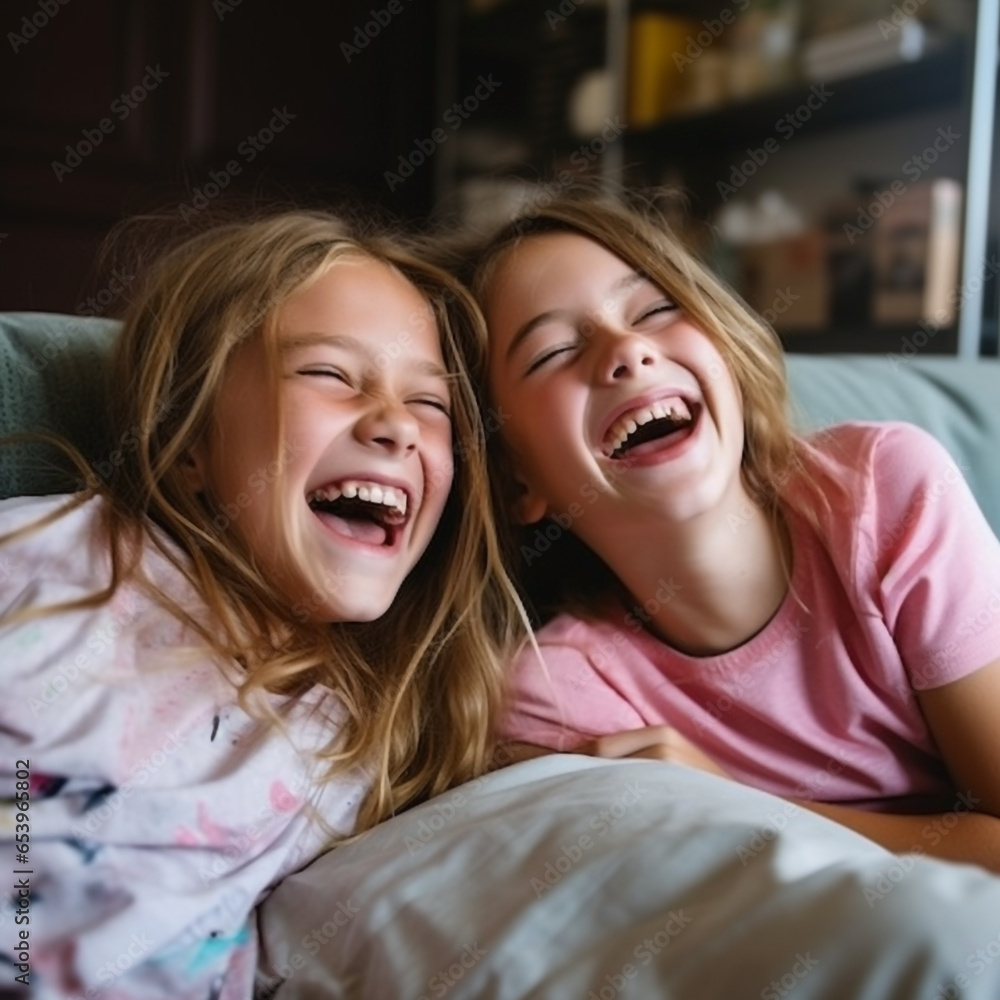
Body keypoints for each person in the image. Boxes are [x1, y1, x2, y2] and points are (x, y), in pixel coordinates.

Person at [0, 210, 524, 999]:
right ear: (189, 444)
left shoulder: (378, 731)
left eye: (431, 404)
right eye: (331, 375)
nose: (393, 425)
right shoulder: (62, 556)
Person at [448, 191, 1000, 874]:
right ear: (515, 481)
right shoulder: (560, 699)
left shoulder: (887, 488)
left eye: (653, 310)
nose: (628, 350)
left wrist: (738, 803)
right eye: (554, 351)